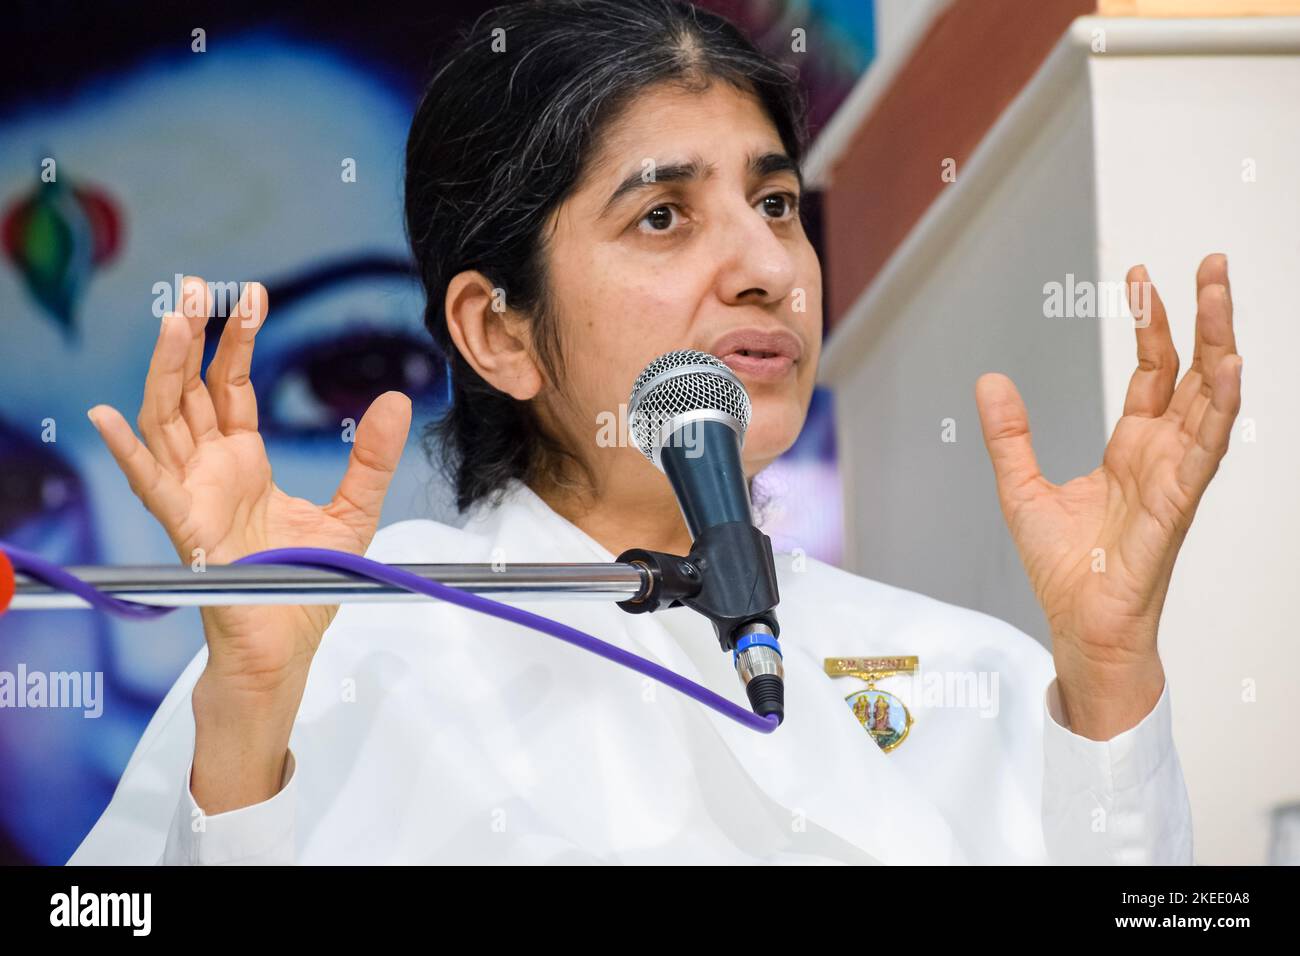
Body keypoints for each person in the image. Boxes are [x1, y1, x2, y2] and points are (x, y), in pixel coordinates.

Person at [68, 0, 1241, 864]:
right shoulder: (336, 650)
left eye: (775, 203)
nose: (767, 268)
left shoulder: (970, 669)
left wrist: (1108, 676)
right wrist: (244, 741)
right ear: (498, 330)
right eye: (665, 215)